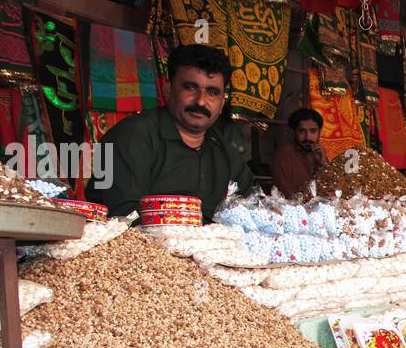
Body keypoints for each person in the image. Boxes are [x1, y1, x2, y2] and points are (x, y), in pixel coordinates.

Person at [87, 44, 252, 223]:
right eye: (190, 87)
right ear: (168, 90)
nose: (201, 101)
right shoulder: (131, 136)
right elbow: (123, 215)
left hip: (207, 249)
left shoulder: (225, 152)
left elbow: (248, 210)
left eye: (212, 92)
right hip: (138, 247)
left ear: (221, 104)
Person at [271, 108, 328, 198]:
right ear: (294, 132)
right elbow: (284, 191)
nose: (308, 137)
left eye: (313, 131)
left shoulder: (319, 152)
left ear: (320, 132)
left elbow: (331, 189)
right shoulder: (285, 153)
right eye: (302, 131)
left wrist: (324, 163)